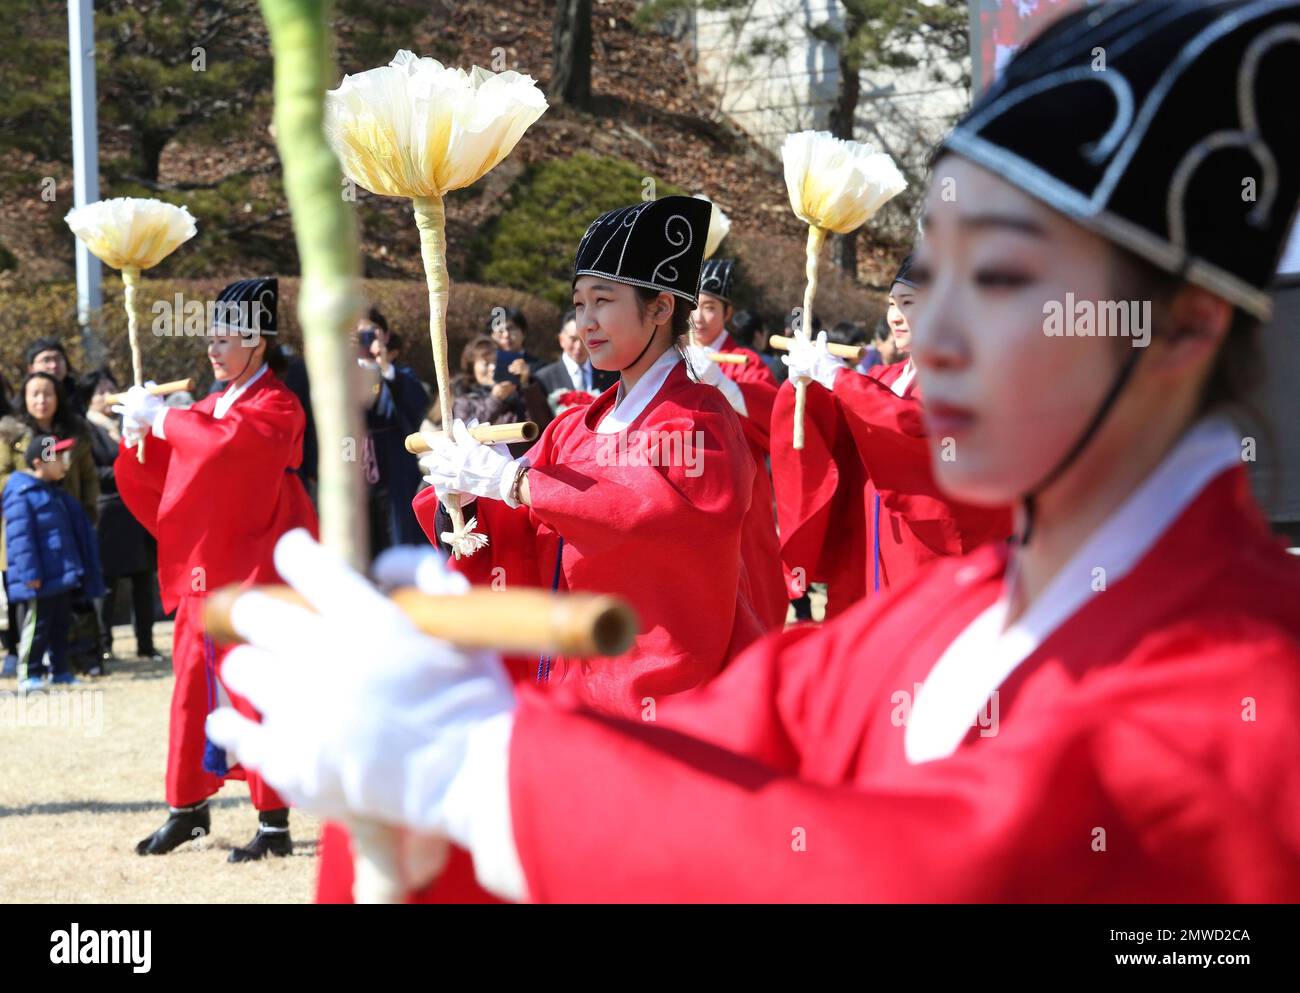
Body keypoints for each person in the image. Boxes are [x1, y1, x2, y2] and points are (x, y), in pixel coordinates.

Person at [210, 0, 1300, 903]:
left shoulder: (1251, 687)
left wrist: (485, 770)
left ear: (1184, 327)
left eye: (1005, 279)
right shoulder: (937, 625)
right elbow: (697, 789)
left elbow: (930, 869)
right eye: (931, 279)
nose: (944, 332)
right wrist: (415, 771)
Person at [113, 276, 318, 862]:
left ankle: (273, 822)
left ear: (258, 341)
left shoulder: (277, 404)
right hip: (208, 567)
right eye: (212, 334)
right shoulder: (210, 404)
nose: (213, 346)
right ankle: (186, 808)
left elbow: (225, 449)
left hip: (256, 567)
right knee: (188, 691)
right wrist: (139, 439)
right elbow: (181, 460)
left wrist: (165, 421)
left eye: (226, 335)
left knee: (254, 690)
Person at [772, 254, 1012, 616]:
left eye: (909, 304)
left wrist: (838, 378)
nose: (895, 316)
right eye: (891, 304)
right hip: (872, 545)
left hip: (927, 553)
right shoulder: (886, 378)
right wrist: (804, 389)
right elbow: (837, 437)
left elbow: (916, 427)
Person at [684, 258, 788, 632]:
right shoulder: (667, 356)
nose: (698, 316)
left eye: (710, 306)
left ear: (728, 312)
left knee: (749, 583)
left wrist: (724, 384)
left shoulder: (743, 362)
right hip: (685, 488)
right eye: (693, 304)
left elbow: (773, 415)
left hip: (740, 490)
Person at [3, 434, 105, 692]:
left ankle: (61, 670)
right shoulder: (21, 493)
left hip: (60, 574)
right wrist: (29, 572)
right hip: (39, 577)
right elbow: (19, 537)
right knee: (37, 625)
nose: (64, 463)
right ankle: (29, 673)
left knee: (62, 625)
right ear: (39, 462)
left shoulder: (55, 493)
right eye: (58, 457)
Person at [80, 369, 159, 672]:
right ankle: (105, 644)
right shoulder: (86, 428)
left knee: (143, 580)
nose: (106, 395)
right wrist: (125, 472)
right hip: (108, 511)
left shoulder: (129, 421)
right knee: (108, 583)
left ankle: (146, 644)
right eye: (99, 391)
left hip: (137, 510)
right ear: (89, 398)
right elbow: (91, 472)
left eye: (110, 388)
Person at [355, 310, 431, 552]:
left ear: (385, 336)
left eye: (370, 333)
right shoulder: (344, 373)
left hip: (394, 459)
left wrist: (384, 365)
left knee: (398, 531)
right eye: (359, 334)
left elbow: (417, 408)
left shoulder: (399, 374)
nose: (365, 340)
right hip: (357, 460)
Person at [451, 335, 550, 456]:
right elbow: (466, 435)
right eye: (486, 363)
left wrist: (526, 384)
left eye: (496, 362)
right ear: (472, 368)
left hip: (526, 463)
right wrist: (495, 400)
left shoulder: (519, 391)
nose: (493, 368)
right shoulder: (464, 401)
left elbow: (544, 424)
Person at [532, 309, 619, 407]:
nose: (579, 346)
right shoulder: (544, 378)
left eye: (583, 339)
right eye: (573, 339)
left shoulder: (611, 374)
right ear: (561, 339)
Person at [25, 338, 86, 417]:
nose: (54, 365)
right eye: (46, 360)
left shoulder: (81, 395)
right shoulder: (22, 403)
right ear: (31, 368)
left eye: (58, 359)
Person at [486, 306, 545, 374]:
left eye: (511, 328)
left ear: (524, 333)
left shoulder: (540, 368)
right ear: (491, 335)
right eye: (500, 330)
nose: (506, 335)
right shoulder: (484, 368)